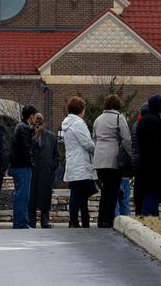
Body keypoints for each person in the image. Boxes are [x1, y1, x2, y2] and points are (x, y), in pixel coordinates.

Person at [92, 94, 132, 227]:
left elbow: (95, 138)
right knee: (113, 191)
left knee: (105, 190)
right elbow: (126, 139)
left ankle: (101, 219)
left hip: (99, 160)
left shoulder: (98, 119)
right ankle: (108, 221)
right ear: (117, 104)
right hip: (113, 160)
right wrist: (132, 154)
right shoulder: (118, 118)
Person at [62, 96, 96, 228]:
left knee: (76, 193)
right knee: (80, 195)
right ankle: (79, 221)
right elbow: (87, 143)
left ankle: (75, 221)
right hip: (81, 164)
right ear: (81, 109)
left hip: (72, 163)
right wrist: (97, 151)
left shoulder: (67, 123)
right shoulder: (78, 123)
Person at [135, 95, 161, 217]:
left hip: (143, 164)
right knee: (152, 195)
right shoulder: (155, 122)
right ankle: (149, 218)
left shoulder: (142, 122)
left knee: (145, 194)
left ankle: (144, 215)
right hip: (155, 166)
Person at [29, 113, 59, 228]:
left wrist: (52, 166)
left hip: (46, 172)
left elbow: (56, 156)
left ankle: (44, 221)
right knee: (32, 198)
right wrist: (36, 137)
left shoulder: (51, 136)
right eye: (37, 120)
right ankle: (31, 221)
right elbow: (27, 150)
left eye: (41, 120)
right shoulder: (29, 134)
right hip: (33, 171)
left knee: (45, 198)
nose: (39, 122)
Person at [10, 105, 36, 229]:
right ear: (31, 116)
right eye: (35, 115)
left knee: (20, 195)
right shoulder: (24, 128)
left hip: (17, 166)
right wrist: (31, 162)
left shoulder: (20, 127)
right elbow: (27, 148)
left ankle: (19, 222)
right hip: (22, 167)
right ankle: (21, 223)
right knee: (23, 196)